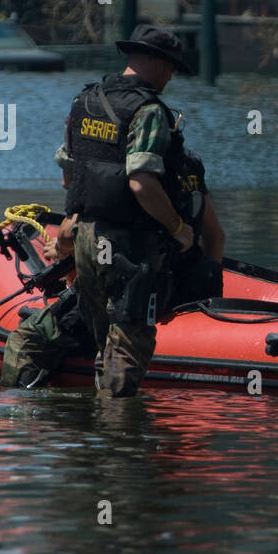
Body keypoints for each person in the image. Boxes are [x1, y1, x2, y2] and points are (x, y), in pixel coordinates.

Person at [64, 24, 224, 396]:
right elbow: (141, 180)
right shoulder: (149, 110)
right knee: (128, 349)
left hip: (87, 238)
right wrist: (178, 227)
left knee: (104, 343)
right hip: (128, 247)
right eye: (169, 67)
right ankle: (121, 443)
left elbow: (69, 174)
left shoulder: (84, 101)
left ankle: (98, 431)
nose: (170, 76)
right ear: (153, 61)